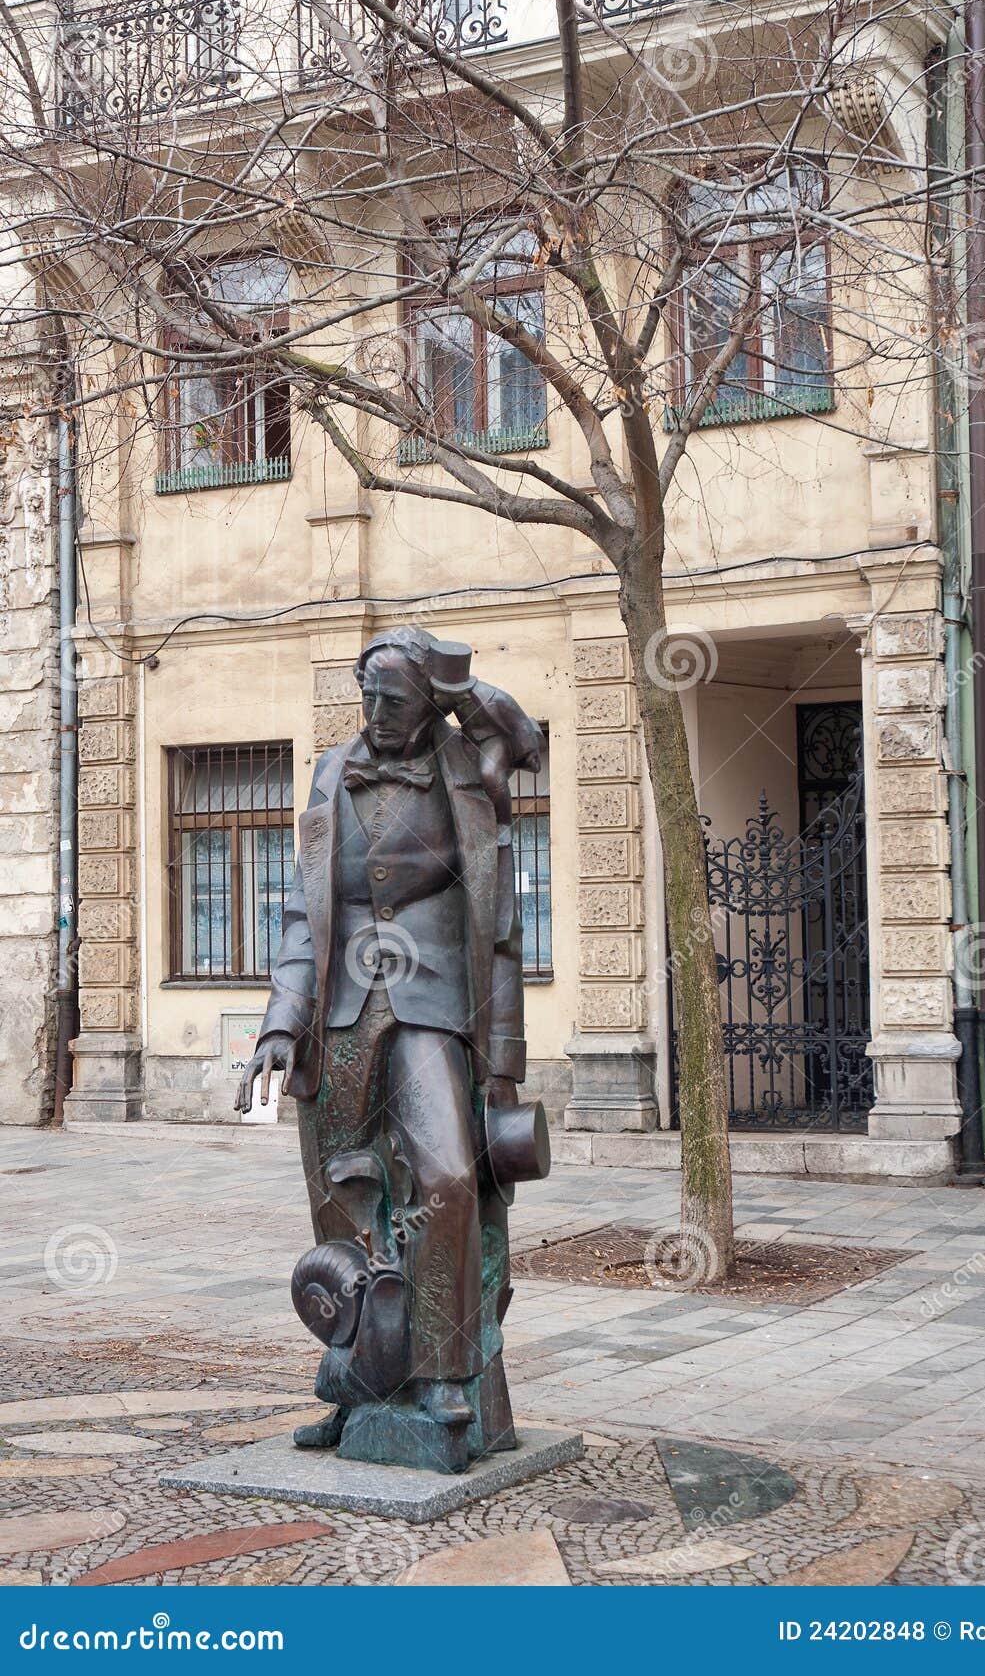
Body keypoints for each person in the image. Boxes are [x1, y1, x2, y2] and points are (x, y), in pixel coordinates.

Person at [236, 627, 536, 1470]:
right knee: (341, 1206)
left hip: (434, 1006)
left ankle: (444, 1375)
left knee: (443, 1179)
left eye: (395, 699)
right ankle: (358, 1383)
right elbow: (307, 911)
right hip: (338, 1016)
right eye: (368, 697)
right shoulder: (334, 769)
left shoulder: (465, 762)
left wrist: (452, 685)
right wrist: (277, 1022)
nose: (376, 714)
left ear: (430, 702)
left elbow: (519, 737)